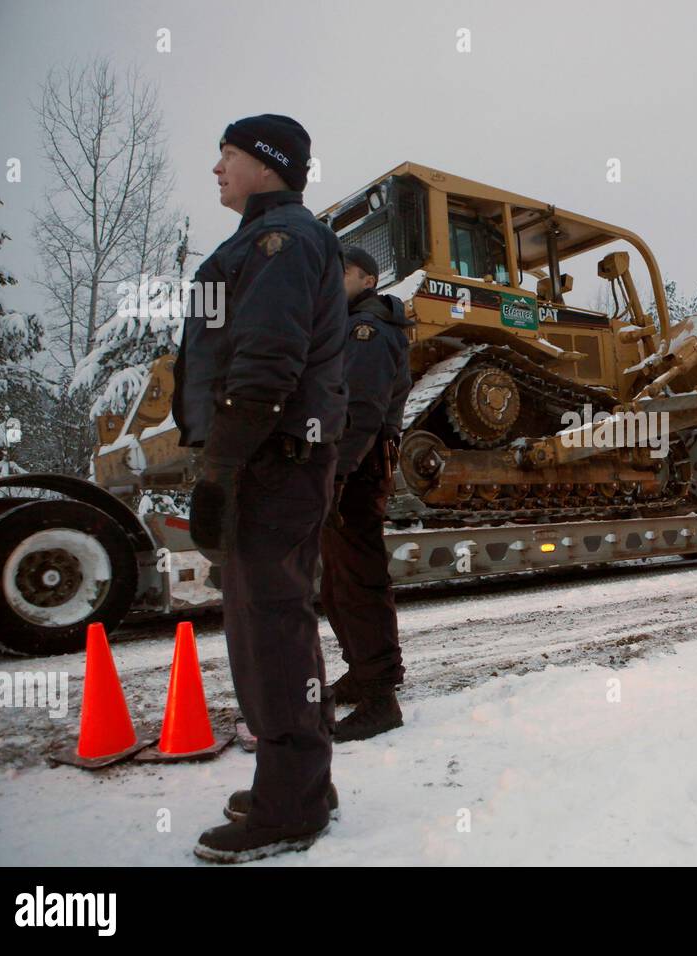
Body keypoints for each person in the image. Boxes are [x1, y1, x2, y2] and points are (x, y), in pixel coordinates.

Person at [173, 113, 347, 863]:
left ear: (268, 165)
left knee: (268, 626)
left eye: (230, 155)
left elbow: (266, 361)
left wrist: (221, 467)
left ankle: (291, 806)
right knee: (271, 621)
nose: (217, 168)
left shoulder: (282, 240)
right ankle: (301, 781)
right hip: (267, 455)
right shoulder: (259, 242)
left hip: (270, 457)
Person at [321, 246, 416, 741]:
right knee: (338, 581)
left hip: (354, 468)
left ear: (368, 279)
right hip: (346, 467)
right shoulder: (349, 326)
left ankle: (381, 697)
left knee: (358, 579)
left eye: (342, 273)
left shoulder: (369, 331)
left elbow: (359, 410)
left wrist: (335, 476)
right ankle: (365, 673)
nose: (332, 280)